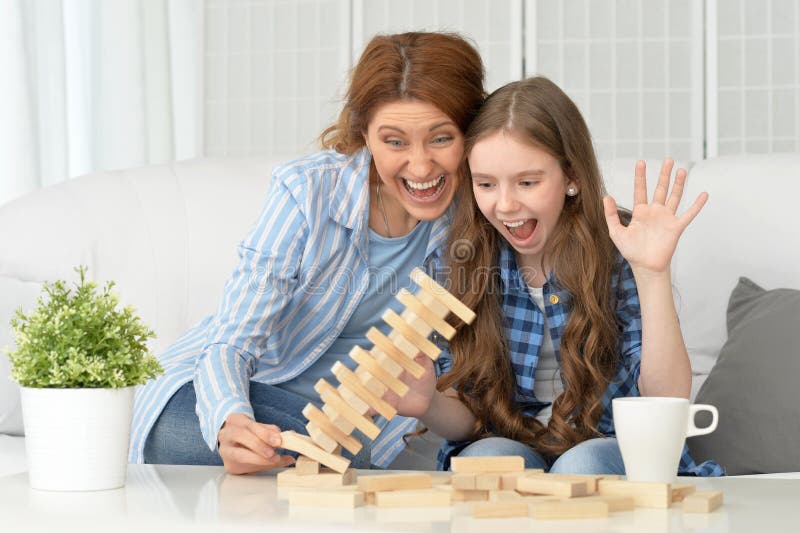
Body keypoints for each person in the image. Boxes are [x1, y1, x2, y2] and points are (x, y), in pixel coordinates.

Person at [129, 31, 485, 475]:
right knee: (322, 458)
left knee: (347, 457)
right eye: (394, 142)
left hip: (346, 431)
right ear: (365, 135)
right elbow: (231, 342)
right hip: (230, 393)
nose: (420, 166)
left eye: (441, 138)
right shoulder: (307, 191)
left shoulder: (480, 220)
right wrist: (230, 421)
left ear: (472, 133)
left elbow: (472, 390)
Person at [398, 76, 723, 476]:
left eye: (528, 182)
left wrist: (652, 274)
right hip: (505, 443)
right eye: (485, 184)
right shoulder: (455, 261)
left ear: (571, 177)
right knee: (486, 462)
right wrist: (428, 400)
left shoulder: (620, 247)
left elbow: (665, 399)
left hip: (610, 448)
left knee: (580, 462)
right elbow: (466, 421)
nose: (504, 205)